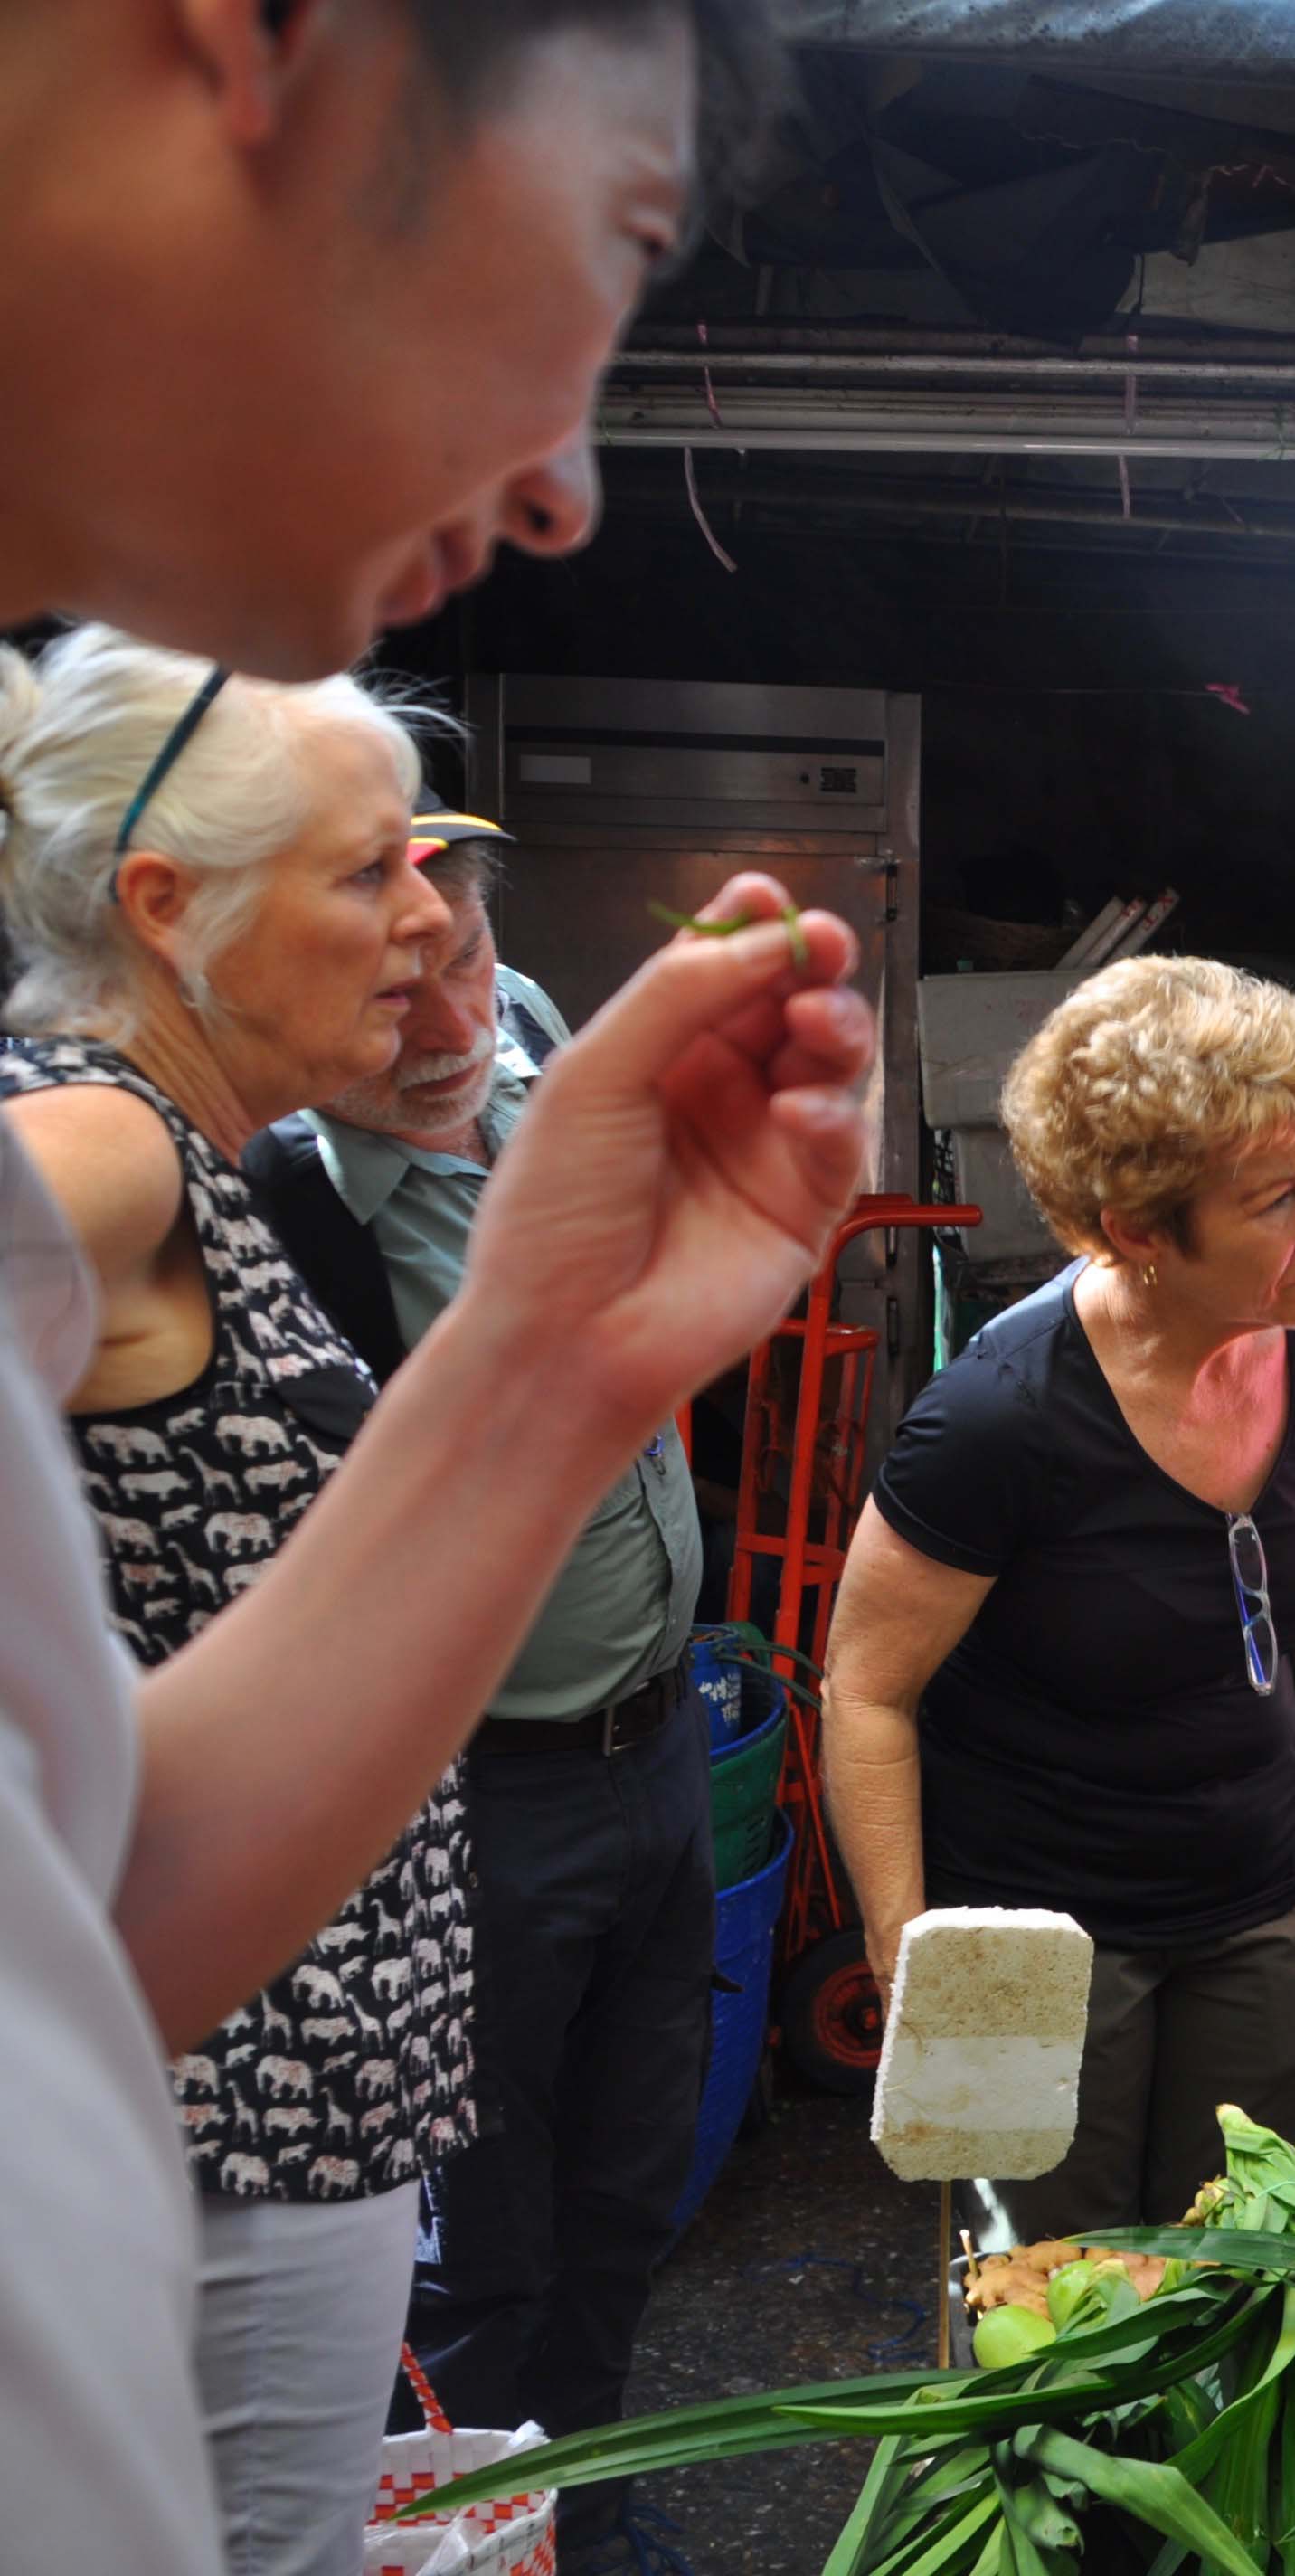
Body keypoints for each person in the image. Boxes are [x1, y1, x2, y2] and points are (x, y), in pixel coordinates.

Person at [0, 7, 845, 2563]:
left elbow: (91, 1919)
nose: (576, 487)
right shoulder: (93, 1151)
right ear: (276, 44)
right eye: (615, 241)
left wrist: (552, 1358)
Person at [0, 633, 477, 2576]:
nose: (426, 915)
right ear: (166, 907)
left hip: (271, 2087)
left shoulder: (215, 1156)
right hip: (233, 2111)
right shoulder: (104, 1137)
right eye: (367, 872)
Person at [242, 813, 709, 2560]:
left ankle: (575, 2490)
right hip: (468, 1798)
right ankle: (469, 2521)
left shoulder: (518, 1024)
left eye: (459, 952)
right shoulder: (277, 1208)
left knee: (629, 2183)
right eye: (389, 985)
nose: (447, 1018)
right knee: (479, 2231)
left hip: (657, 1742)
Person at [823, 958, 1295, 2237]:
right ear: (1139, 1232)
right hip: (1020, 1939)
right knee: (1047, 2312)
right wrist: (907, 1950)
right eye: (1275, 1199)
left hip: (1256, 1901)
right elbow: (864, 1686)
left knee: (1251, 2274)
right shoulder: (995, 1419)